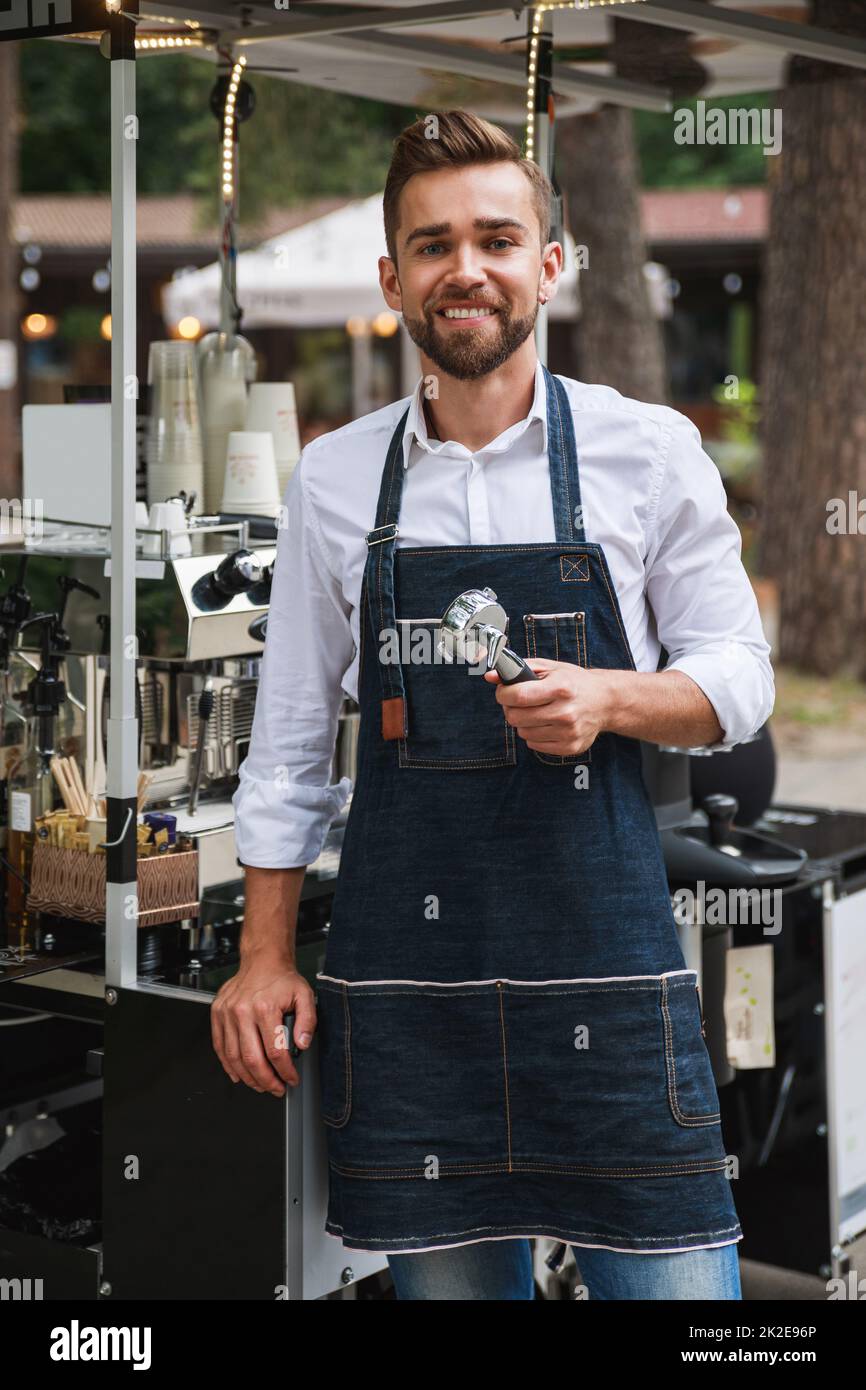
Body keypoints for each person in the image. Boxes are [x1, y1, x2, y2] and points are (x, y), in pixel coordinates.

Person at [212, 111, 774, 1302]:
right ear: (393, 278)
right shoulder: (333, 478)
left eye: (494, 239)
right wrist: (262, 956)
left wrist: (611, 696)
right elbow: (295, 739)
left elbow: (738, 677)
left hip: (604, 982)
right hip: (414, 996)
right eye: (430, 245)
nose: (462, 268)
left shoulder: (648, 451)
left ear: (548, 265)